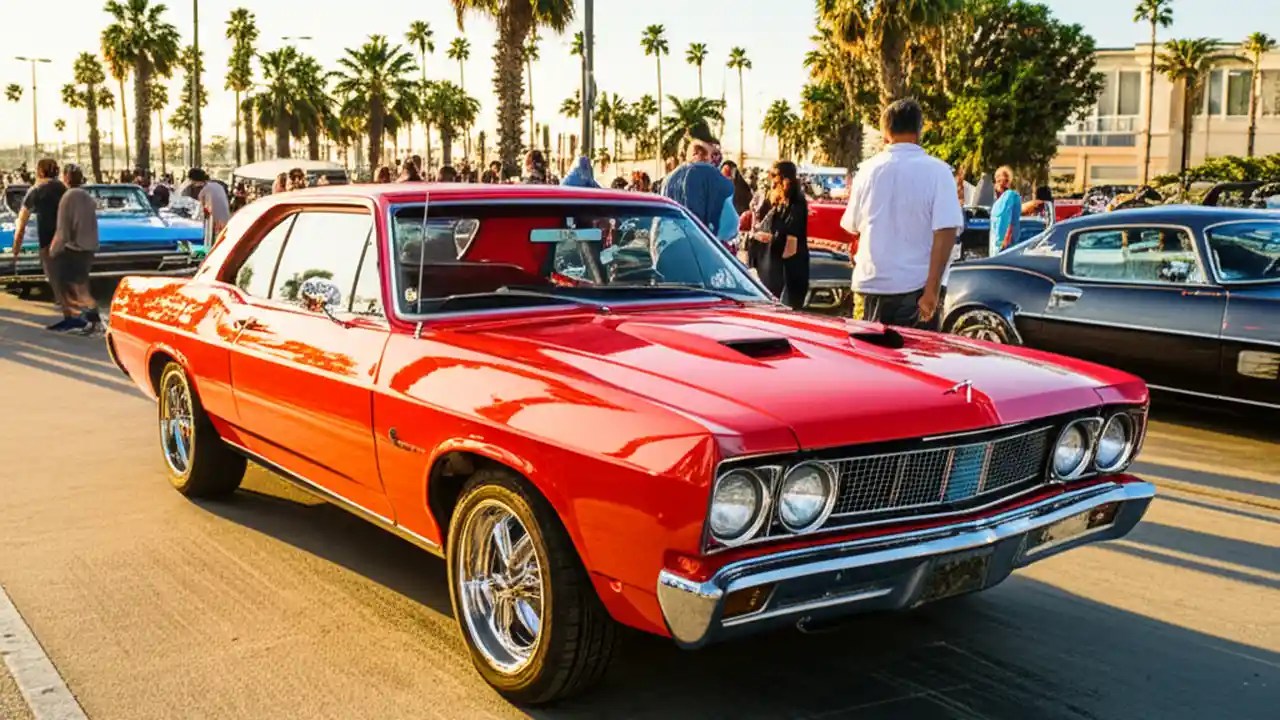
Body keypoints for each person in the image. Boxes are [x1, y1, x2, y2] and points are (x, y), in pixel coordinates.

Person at [839, 98, 963, 330]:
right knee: (914, 353)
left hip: (869, 287)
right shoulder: (939, 172)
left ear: (885, 132)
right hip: (916, 290)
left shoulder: (866, 171)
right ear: (919, 130)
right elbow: (946, 231)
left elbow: (852, 225)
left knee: (868, 353)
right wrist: (932, 290)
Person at [10, 158, 70, 329]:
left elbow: (22, 222)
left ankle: (70, 317)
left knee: (56, 279)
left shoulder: (36, 191)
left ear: (40, 171)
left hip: (48, 242)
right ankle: (79, 316)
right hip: (68, 239)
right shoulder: (64, 189)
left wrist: (16, 247)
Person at [660, 131, 738, 246]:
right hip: (701, 247)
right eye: (714, 155)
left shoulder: (667, 180)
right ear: (706, 155)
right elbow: (730, 227)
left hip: (670, 244)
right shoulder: (711, 175)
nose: (716, 160)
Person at [51, 163, 101, 333]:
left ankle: (92, 320)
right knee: (81, 285)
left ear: (66, 177)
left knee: (76, 288)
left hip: (75, 249)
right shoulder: (87, 197)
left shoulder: (67, 197)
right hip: (89, 248)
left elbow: (63, 229)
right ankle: (90, 320)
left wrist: (54, 249)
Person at [752, 161, 810, 309]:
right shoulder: (779, 203)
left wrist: (770, 239)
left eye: (775, 176)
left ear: (786, 179)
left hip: (789, 270)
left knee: (786, 308)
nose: (772, 181)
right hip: (775, 267)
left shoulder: (796, 203)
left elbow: (791, 242)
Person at [188, 168, 231, 249]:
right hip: (226, 222)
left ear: (195, 180)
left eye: (192, 181)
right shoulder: (218, 186)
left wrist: (193, 219)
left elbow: (203, 210)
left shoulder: (204, 191)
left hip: (216, 225)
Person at [988, 165, 1021, 256]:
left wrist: (1006, 239)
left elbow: (1011, 220)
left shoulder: (1010, 195)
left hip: (1005, 246)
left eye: (1004, 180)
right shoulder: (997, 202)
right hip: (996, 245)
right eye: (998, 180)